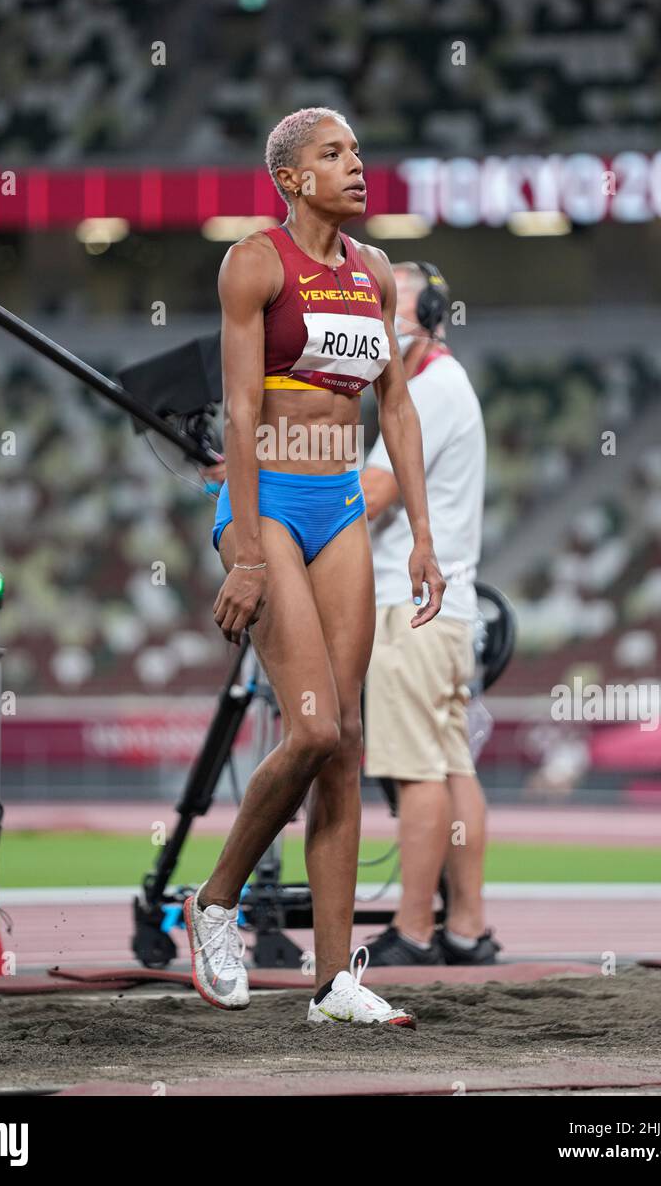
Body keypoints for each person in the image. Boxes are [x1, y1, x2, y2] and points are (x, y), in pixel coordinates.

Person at [185, 106, 446, 1027]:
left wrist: (419, 535)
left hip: (340, 506)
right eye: (334, 154)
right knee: (310, 729)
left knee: (344, 748)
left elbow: (399, 413)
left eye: (358, 151)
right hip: (268, 512)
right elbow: (242, 406)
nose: (356, 164)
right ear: (292, 177)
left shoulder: (372, 271)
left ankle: (334, 981)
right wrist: (247, 551)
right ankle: (215, 901)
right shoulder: (255, 263)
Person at [360, 262, 501, 966]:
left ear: (431, 314)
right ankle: (467, 930)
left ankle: (413, 934)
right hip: (444, 611)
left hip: (410, 606)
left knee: (418, 772)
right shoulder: (443, 383)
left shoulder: (428, 390)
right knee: (450, 769)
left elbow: (372, 496)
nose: (382, 315)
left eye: (394, 303)